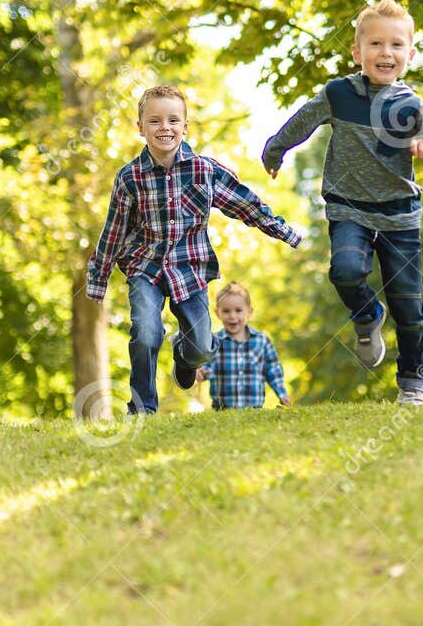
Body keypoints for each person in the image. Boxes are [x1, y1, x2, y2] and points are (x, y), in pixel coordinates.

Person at [262, 0, 423, 404]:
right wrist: (274, 150)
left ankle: (413, 382)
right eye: (375, 44)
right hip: (348, 206)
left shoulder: (413, 106)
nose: (385, 53)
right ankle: (368, 315)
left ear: (410, 53)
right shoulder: (339, 94)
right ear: (357, 52)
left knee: (408, 304)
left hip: (399, 216)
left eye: (395, 45)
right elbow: (303, 120)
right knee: (346, 271)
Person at [87, 85, 302, 414]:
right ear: (140, 127)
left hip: (190, 269)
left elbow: (246, 205)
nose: (165, 128)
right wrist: (98, 276)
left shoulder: (204, 170)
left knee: (202, 348)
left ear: (185, 126)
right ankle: (142, 408)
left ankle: (184, 355)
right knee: (145, 333)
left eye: (173, 120)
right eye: (155, 121)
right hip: (145, 268)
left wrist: (282, 230)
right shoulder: (129, 177)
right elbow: (113, 231)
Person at [197, 282, 292, 409]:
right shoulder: (214, 342)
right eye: (226, 311)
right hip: (223, 410)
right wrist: (201, 372)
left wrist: (282, 394)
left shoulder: (261, 341)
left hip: (254, 409)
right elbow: (206, 367)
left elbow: (273, 371)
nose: (232, 316)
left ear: (249, 311)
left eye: (238, 310)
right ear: (217, 313)